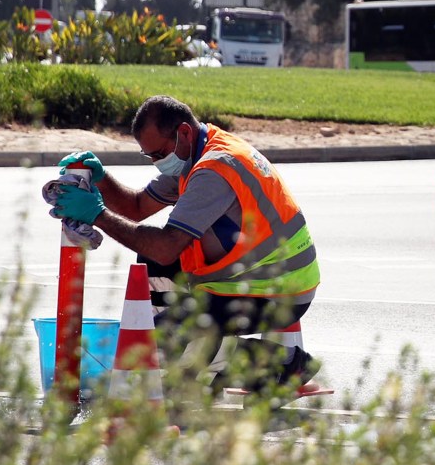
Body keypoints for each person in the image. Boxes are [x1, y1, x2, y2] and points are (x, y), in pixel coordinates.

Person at [50, 94, 320, 394]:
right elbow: (137, 206)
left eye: (159, 152)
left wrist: (97, 215)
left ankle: (284, 365)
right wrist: (101, 179)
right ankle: (185, 356)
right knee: (150, 261)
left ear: (184, 133)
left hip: (278, 291)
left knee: (166, 337)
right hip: (259, 277)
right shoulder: (195, 153)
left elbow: (167, 246)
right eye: (149, 156)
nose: (156, 161)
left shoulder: (213, 171)